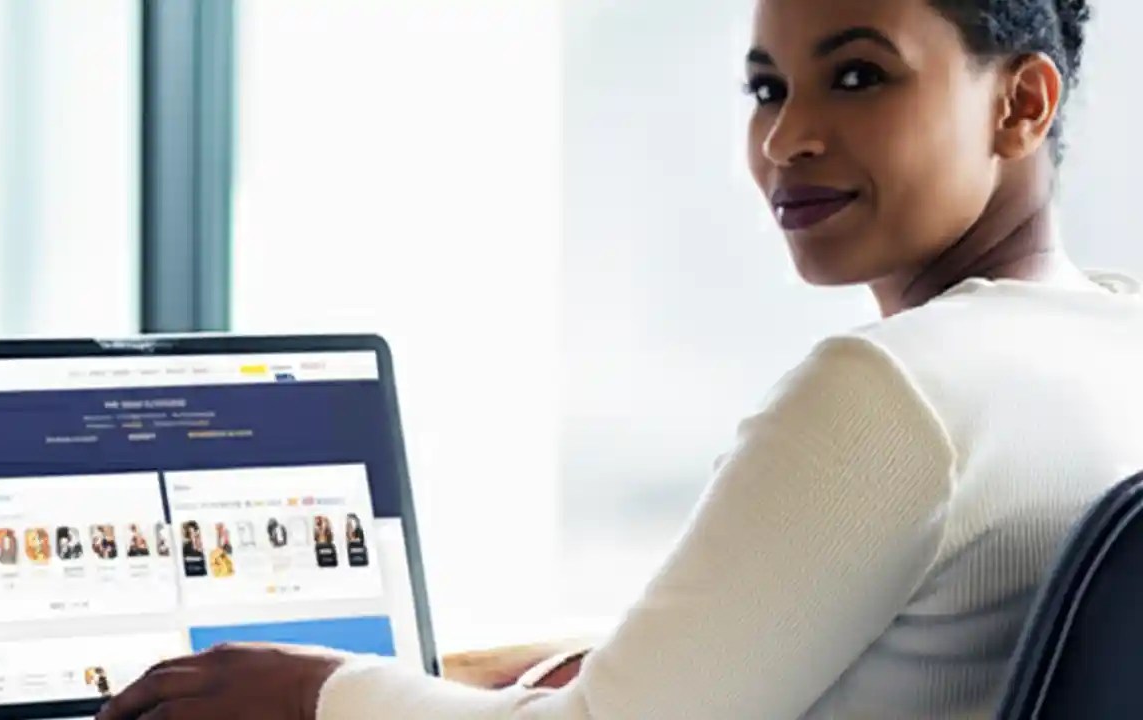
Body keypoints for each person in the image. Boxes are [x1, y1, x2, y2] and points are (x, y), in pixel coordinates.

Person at [97, 0, 1143, 718]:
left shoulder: (895, 389)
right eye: (766, 88)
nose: (786, 140)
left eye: (857, 76)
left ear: (1019, 103)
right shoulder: (1110, 344)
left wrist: (313, 690)